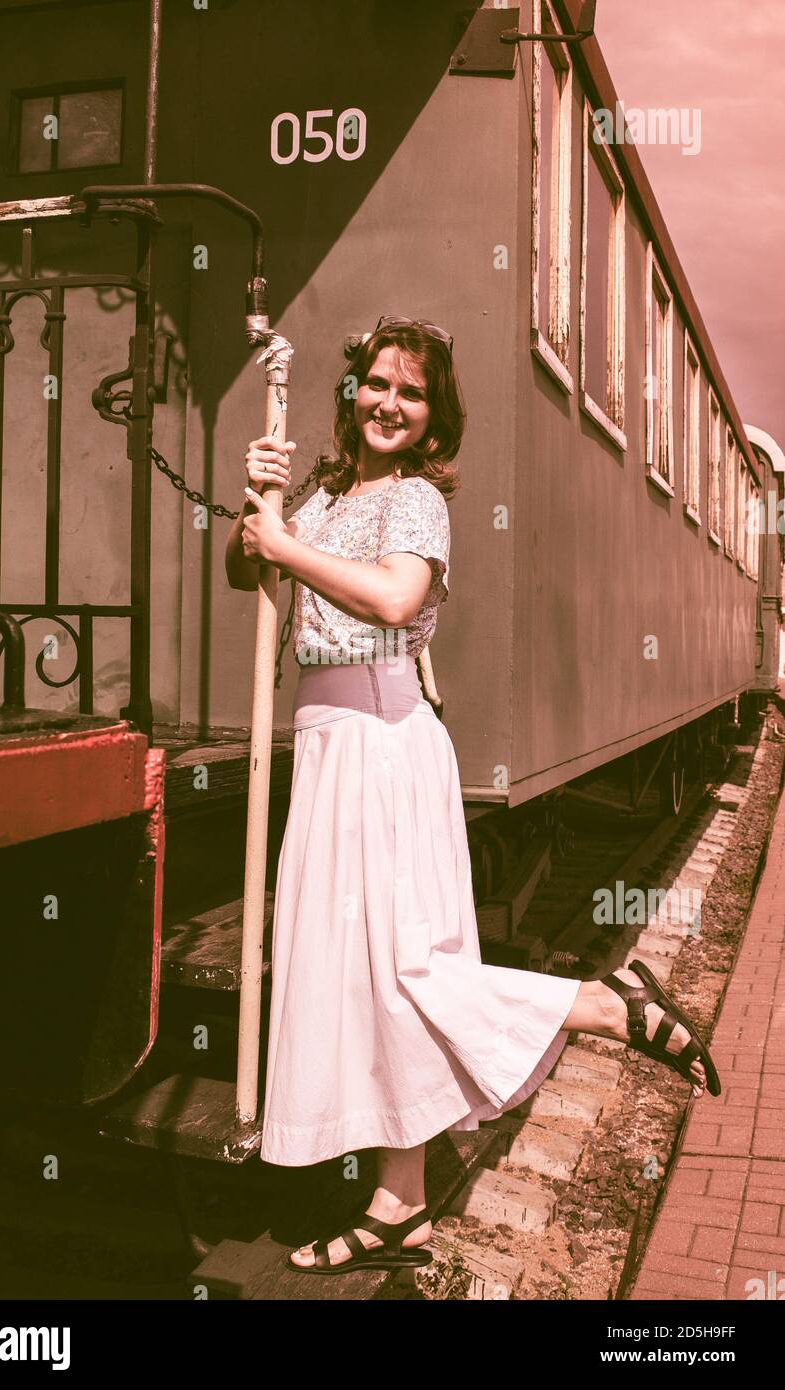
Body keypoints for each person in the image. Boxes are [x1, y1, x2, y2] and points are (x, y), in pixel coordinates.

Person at [224, 317, 720, 1277]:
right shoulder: (322, 495)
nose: (389, 405)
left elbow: (395, 603)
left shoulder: (417, 504)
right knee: (358, 975)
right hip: (327, 746)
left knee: (407, 967)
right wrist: (262, 507)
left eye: (411, 393)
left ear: (432, 417)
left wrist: (282, 549)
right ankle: (399, 1201)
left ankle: (603, 1005)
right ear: (351, 391)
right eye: (376, 383)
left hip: (383, 745)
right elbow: (253, 571)